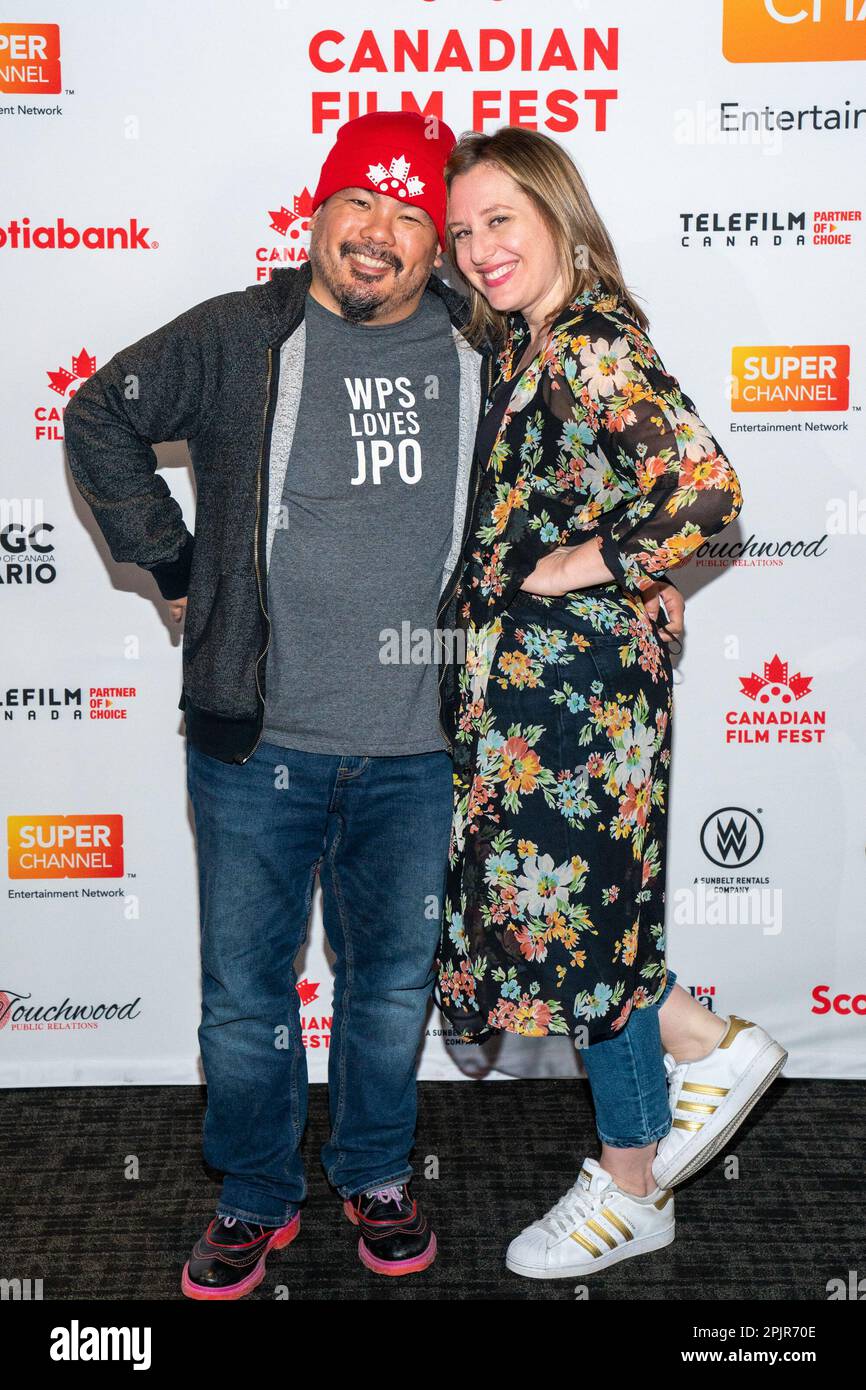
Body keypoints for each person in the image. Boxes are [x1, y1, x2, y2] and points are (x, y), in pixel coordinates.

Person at [62, 109, 511, 1297]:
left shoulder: (487, 348)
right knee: (244, 999)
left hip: (419, 750)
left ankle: (373, 1169)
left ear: (438, 242)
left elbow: (592, 472)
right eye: (357, 202)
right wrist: (175, 566)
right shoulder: (239, 334)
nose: (379, 231)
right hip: (256, 744)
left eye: (410, 212)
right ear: (316, 215)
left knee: (389, 992)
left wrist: (638, 579)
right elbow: (98, 413)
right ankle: (257, 1194)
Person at [435, 125, 788, 1279]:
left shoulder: (585, 344)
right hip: (548, 706)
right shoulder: (533, 347)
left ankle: (630, 1183)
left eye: (499, 219)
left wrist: (589, 564)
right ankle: (701, 1048)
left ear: (555, 211)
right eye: (461, 232)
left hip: (576, 706)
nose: (479, 249)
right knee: (593, 930)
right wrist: (632, 569)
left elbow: (703, 488)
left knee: (589, 943)